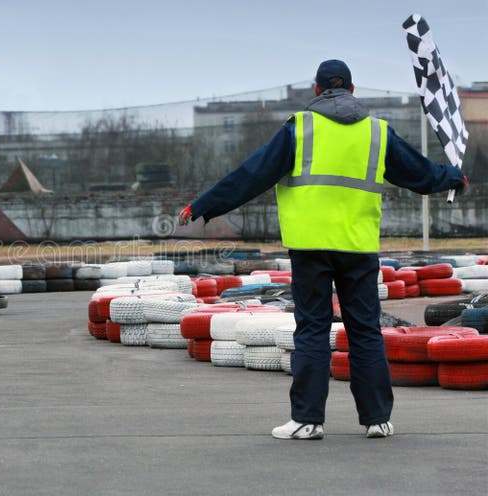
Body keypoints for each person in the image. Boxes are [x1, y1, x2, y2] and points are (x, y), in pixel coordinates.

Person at [178, 59, 467, 440]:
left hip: (311, 247)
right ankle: (378, 419)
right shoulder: (377, 133)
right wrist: (453, 178)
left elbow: (251, 175)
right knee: (365, 330)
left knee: (312, 328)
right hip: (358, 247)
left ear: (316, 90)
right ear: (352, 89)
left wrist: (203, 205)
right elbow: (420, 172)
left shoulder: (300, 128)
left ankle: (307, 420)